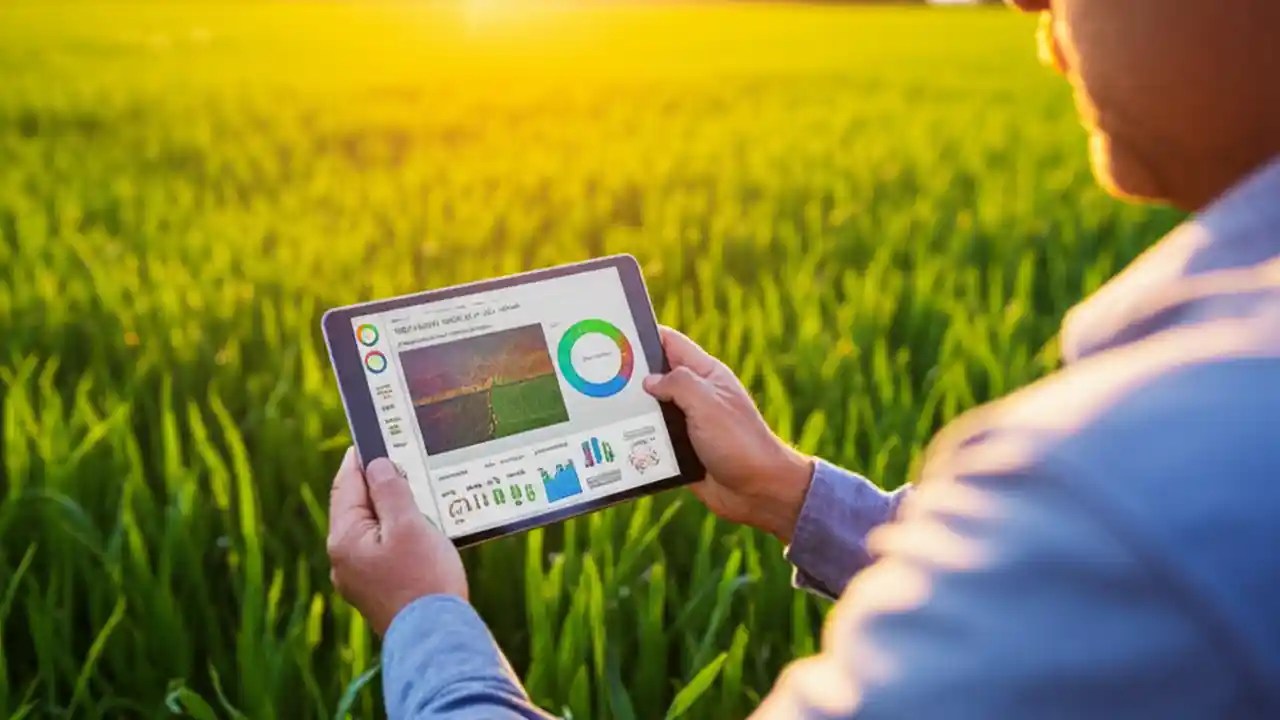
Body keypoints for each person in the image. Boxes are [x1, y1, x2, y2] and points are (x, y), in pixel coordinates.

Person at [326, 0, 1280, 716]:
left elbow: (1106, 572)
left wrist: (422, 621)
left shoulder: (1126, 496)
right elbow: (1084, 622)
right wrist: (790, 491)